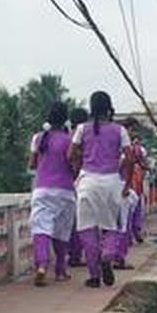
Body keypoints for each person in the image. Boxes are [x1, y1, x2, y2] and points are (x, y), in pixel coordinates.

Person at [69, 92, 130, 288]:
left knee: (87, 229)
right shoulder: (120, 130)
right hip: (111, 182)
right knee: (111, 226)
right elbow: (129, 158)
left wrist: (79, 166)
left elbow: (71, 154)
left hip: (87, 182)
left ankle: (94, 275)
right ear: (109, 108)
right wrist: (126, 182)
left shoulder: (82, 129)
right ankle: (107, 255)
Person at [28, 102, 76, 286]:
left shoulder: (39, 138)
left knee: (41, 228)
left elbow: (32, 164)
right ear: (65, 119)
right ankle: (60, 270)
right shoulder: (69, 140)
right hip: (65, 190)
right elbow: (73, 164)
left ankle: (41, 265)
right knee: (61, 233)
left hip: (42, 189)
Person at [112, 118, 147, 269]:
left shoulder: (115, 144)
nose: (133, 134)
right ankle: (118, 257)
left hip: (117, 186)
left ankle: (112, 254)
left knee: (115, 224)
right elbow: (123, 164)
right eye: (132, 130)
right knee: (122, 224)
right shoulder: (124, 147)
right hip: (122, 187)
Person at [66, 107, 90, 269]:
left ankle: (70, 254)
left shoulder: (67, 135)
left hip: (65, 181)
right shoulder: (82, 136)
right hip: (80, 180)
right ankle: (76, 254)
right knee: (80, 221)